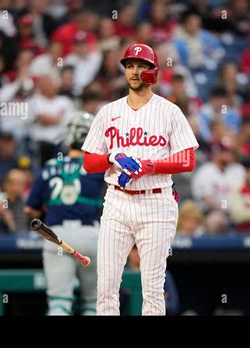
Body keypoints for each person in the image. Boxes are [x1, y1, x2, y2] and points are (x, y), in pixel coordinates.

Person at [81, 43, 199, 315]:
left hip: (157, 202)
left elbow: (187, 160)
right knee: (106, 286)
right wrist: (111, 158)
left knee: (153, 288)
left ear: (153, 72)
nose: (134, 71)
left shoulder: (169, 111)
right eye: (130, 66)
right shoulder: (108, 112)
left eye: (141, 66)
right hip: (117, 201)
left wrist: (150, 166)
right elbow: (89, 162)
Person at [24, 112, 105, 316]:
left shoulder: (50, 166)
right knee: (93, 302)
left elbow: (30, 210)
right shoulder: (99, 166)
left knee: (59, 303)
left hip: (56, 234)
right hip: (91, 235)